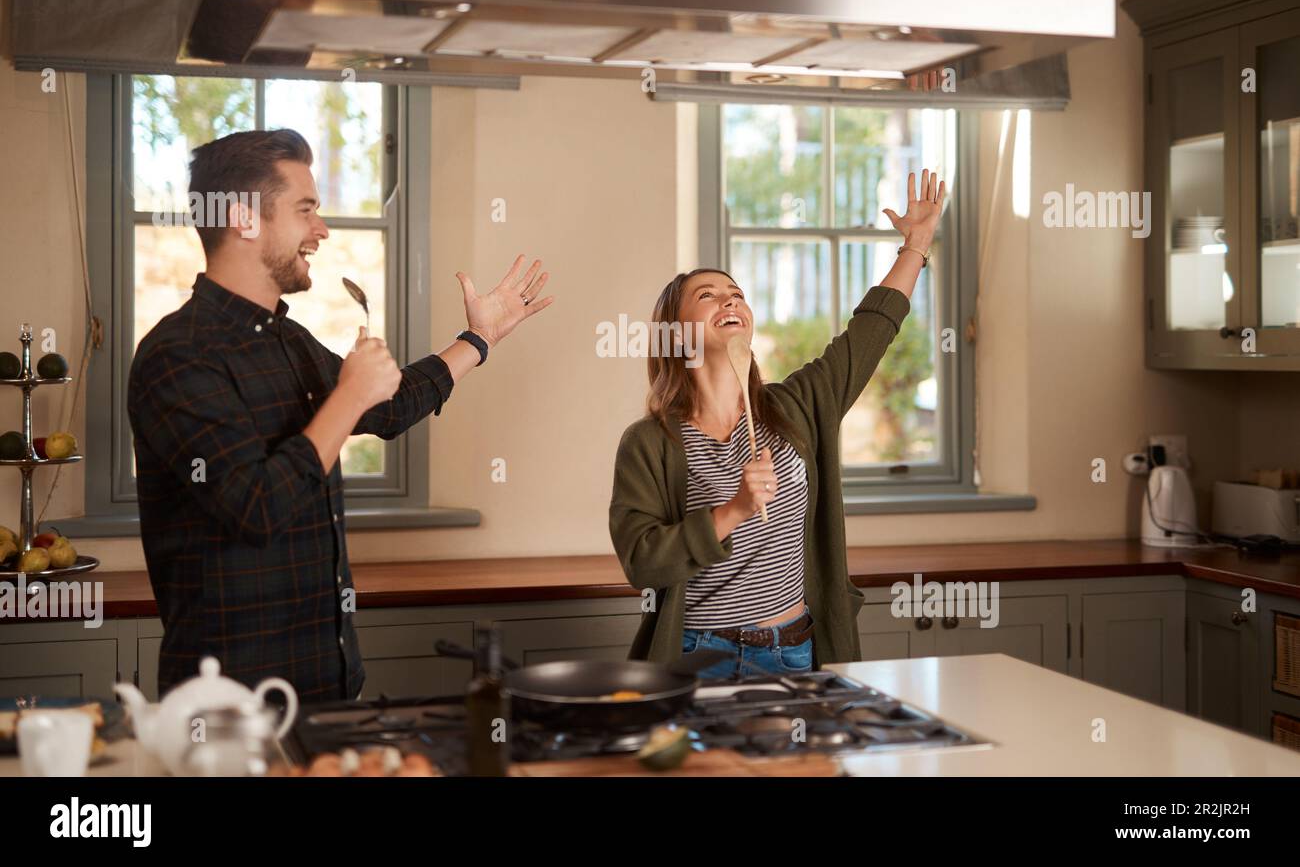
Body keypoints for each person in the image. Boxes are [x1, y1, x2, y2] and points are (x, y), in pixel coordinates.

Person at [128, 128, 552, 701]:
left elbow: (393, 404)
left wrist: (477, 339)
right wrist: (348, 397)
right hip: (230, 705)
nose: (322, 230)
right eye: (306, 210)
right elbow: (256, 508)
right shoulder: (176, 356)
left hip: (330, 687)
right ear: (243, 219)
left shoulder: (289, 341)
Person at [610, 170, 944, 680]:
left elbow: (870, 331)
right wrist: (734, 511)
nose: (730, 299)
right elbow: (642, 562)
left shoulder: (798, 405)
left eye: (736, 292)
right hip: (701, 657)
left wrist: (916, 246)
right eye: (707, 295)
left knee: (806, 765)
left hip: (799, 651)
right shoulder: (650, 442)